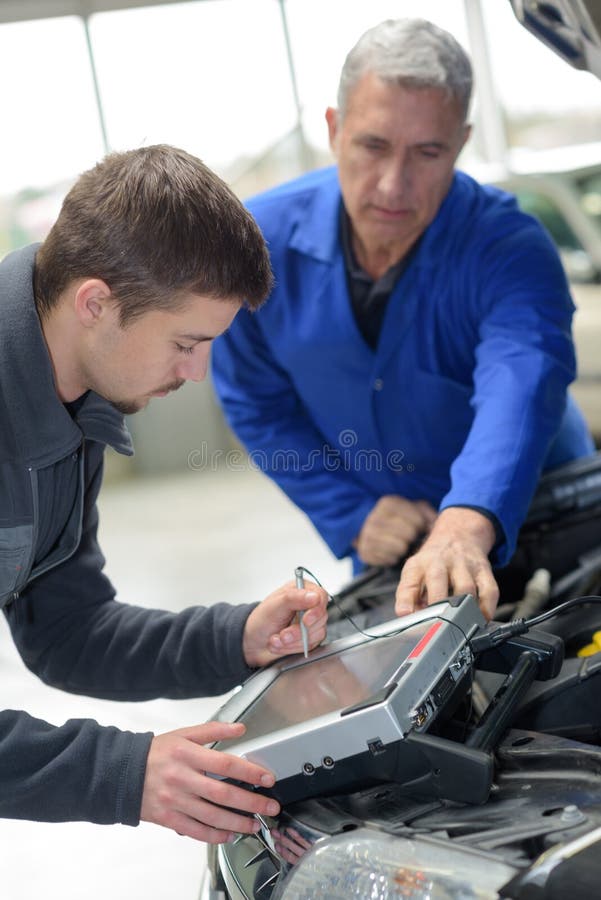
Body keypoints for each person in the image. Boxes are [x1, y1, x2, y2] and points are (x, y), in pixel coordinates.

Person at [211, 17, 595, 623]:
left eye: (427, 152)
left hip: (550, 512)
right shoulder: (252, 247)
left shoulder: (510, 247)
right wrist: (351, 514)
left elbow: (522, 382)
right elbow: (259, 404)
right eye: (373, 145)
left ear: (461, 144)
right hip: (392, 540)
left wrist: (467, 518)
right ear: (335, 131)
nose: (394, 184)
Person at [0, 144, 330, 844]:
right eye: (185, 342)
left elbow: (66, 632)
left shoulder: (76, 400)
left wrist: (235, 638)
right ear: (97, 302)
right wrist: (123, 771)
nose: (200, 371)